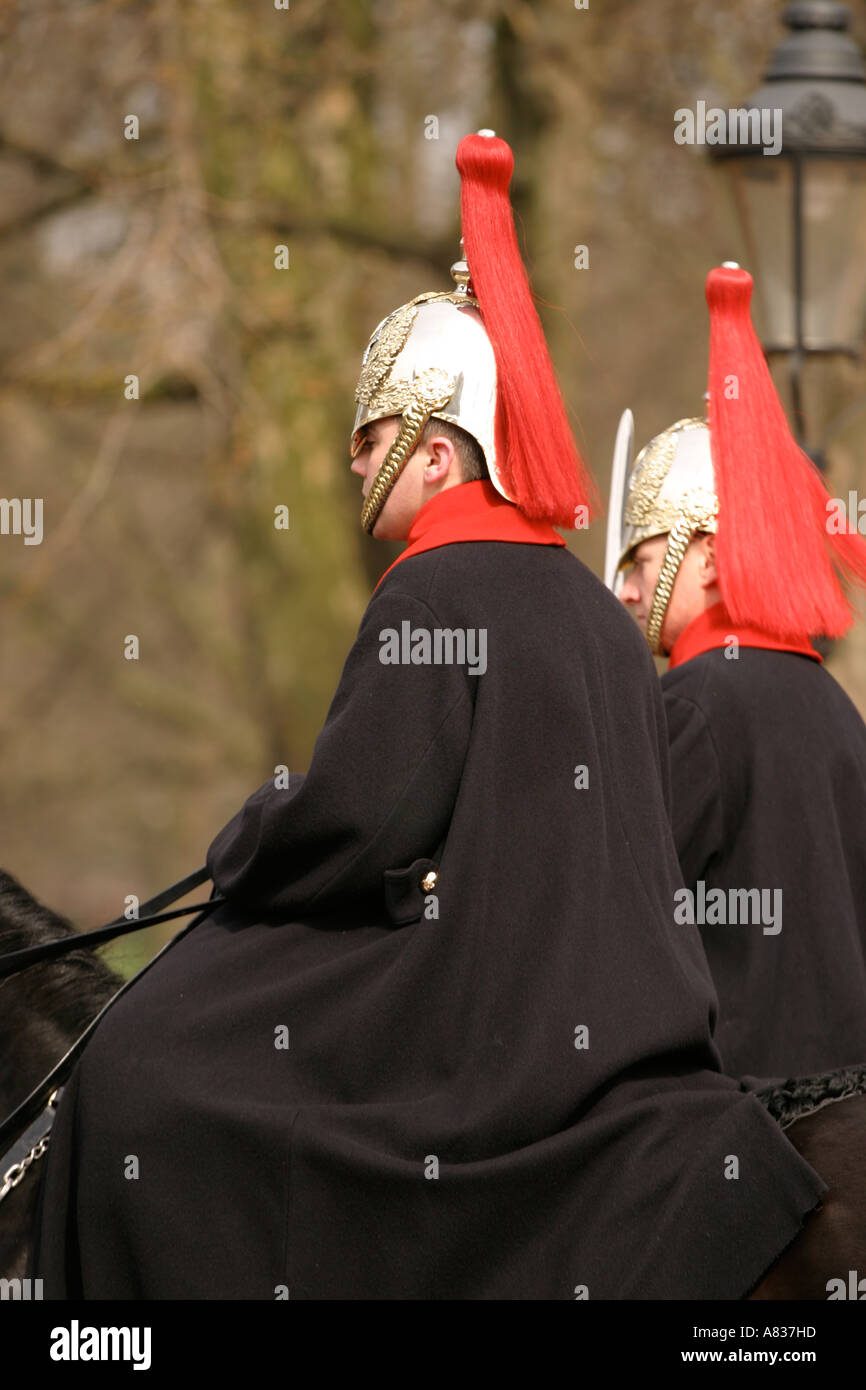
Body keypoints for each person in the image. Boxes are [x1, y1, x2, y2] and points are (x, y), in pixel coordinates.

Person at [31, 144, 825, 1301]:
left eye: (369, 435)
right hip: (628, 1019)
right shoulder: (601, 622)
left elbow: (361, 822)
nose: (352, 458)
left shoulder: (430, 587)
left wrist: (247, 839)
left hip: (484, 1019)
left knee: (144, 1058)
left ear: (436, 446)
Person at [609, 262, 866, 1081]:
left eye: (643, 560)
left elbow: (619, 918)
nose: (624, 587)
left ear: (712, 562)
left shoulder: (694, 701)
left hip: (741, 1121)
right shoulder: (832, 703)